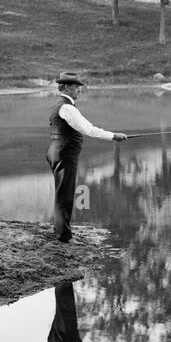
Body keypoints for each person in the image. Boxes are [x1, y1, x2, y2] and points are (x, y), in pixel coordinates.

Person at [46, 71, 128, 243]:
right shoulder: (67, 107)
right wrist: (113, 136)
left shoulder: (63, 105)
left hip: (59, 152)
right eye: (76, 87)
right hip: (64, 154)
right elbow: (89, 129)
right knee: (65, 194)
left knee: (64, 192)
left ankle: (60, 230)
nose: (79, 90)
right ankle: (64, 236)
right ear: (67, 87)